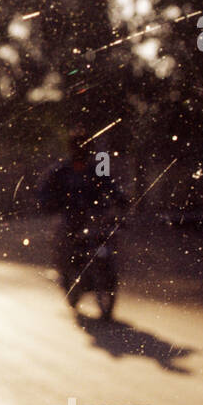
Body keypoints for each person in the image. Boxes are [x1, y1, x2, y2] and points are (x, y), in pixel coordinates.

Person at [37, 128, 126, 306]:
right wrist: (51, 203)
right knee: (62, 243)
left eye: (85, 147)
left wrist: (121, 200)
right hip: (71, 219)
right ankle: (65, 276)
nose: (81, 151)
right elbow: (44, 192)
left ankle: (106, 280)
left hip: (95, 218)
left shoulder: (97, 170)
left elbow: (111, 188)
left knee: (111, 239)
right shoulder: (61, 171)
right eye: (78, 147)